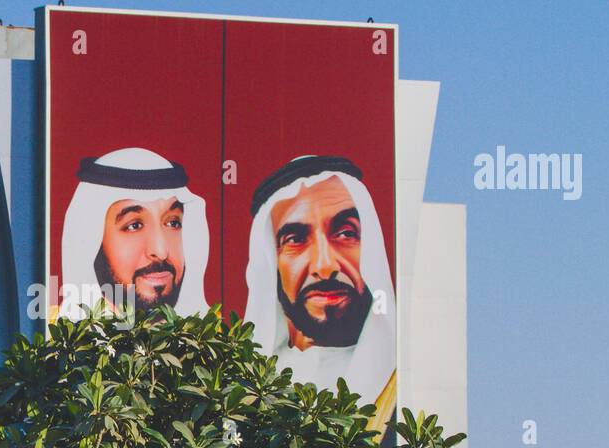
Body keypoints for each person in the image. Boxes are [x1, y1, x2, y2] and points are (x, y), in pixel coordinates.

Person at [243, 155, 396, 425]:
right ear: (272, 264)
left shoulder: (402, 388)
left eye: (346, 233)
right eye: (295, 239)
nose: (324, 267)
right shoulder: (240, 399)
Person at [59, 147, 210, 318]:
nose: (161, 251)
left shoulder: (219, 342)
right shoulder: (51, 340)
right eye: (134, 226)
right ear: (91, 240)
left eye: (173, 223)